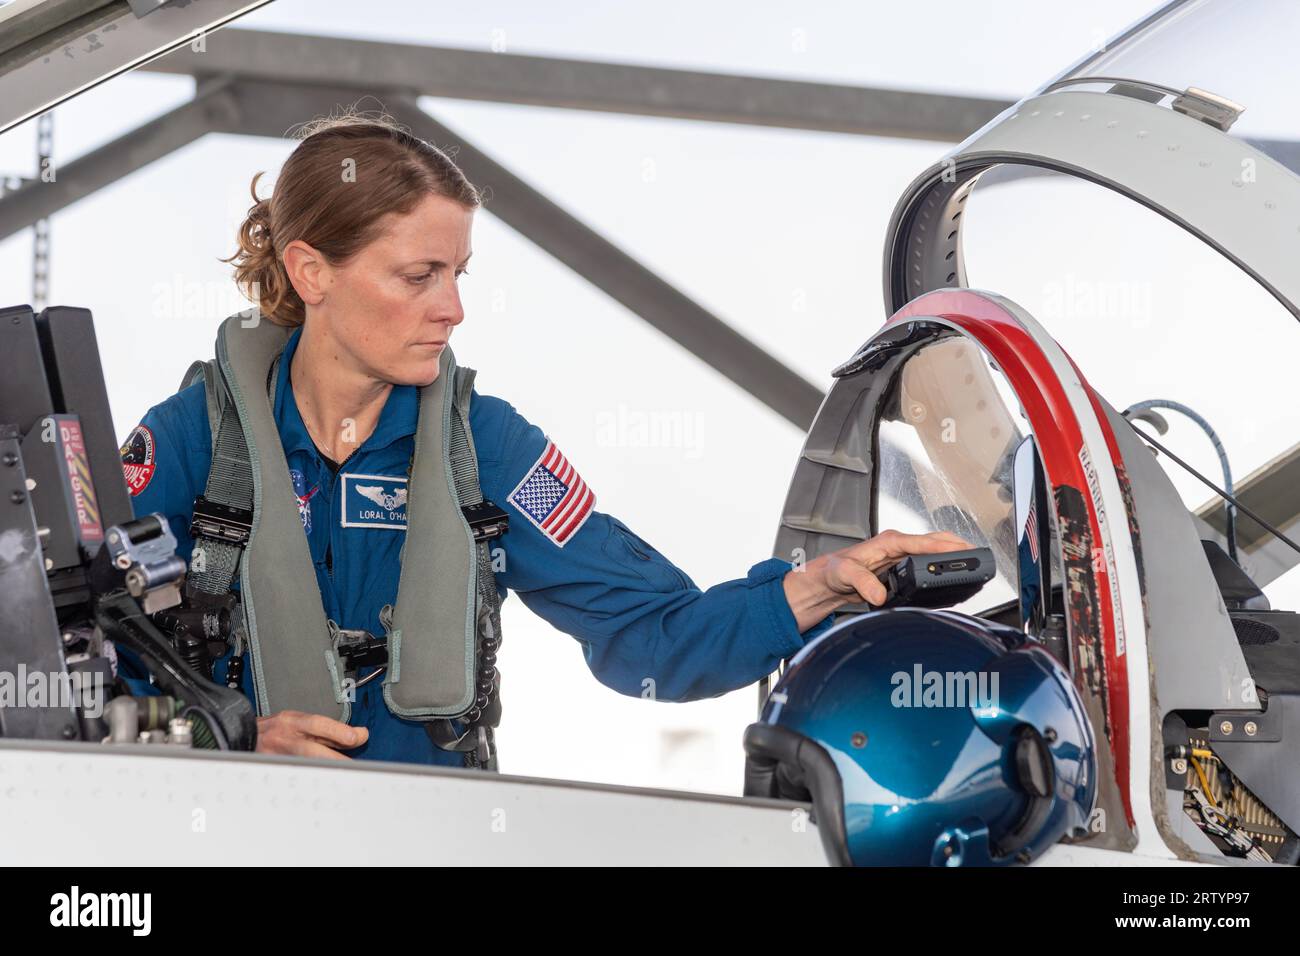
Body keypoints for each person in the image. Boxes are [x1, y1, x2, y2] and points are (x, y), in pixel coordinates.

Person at [117, 112, 969, 767]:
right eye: (419, 276)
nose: (452, 308)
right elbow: (79, 664)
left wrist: (812, 590)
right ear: (312, 272)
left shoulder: (486, 447)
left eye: (458, 274)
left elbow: (653, 636)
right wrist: (217, 738)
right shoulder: (193, 442)